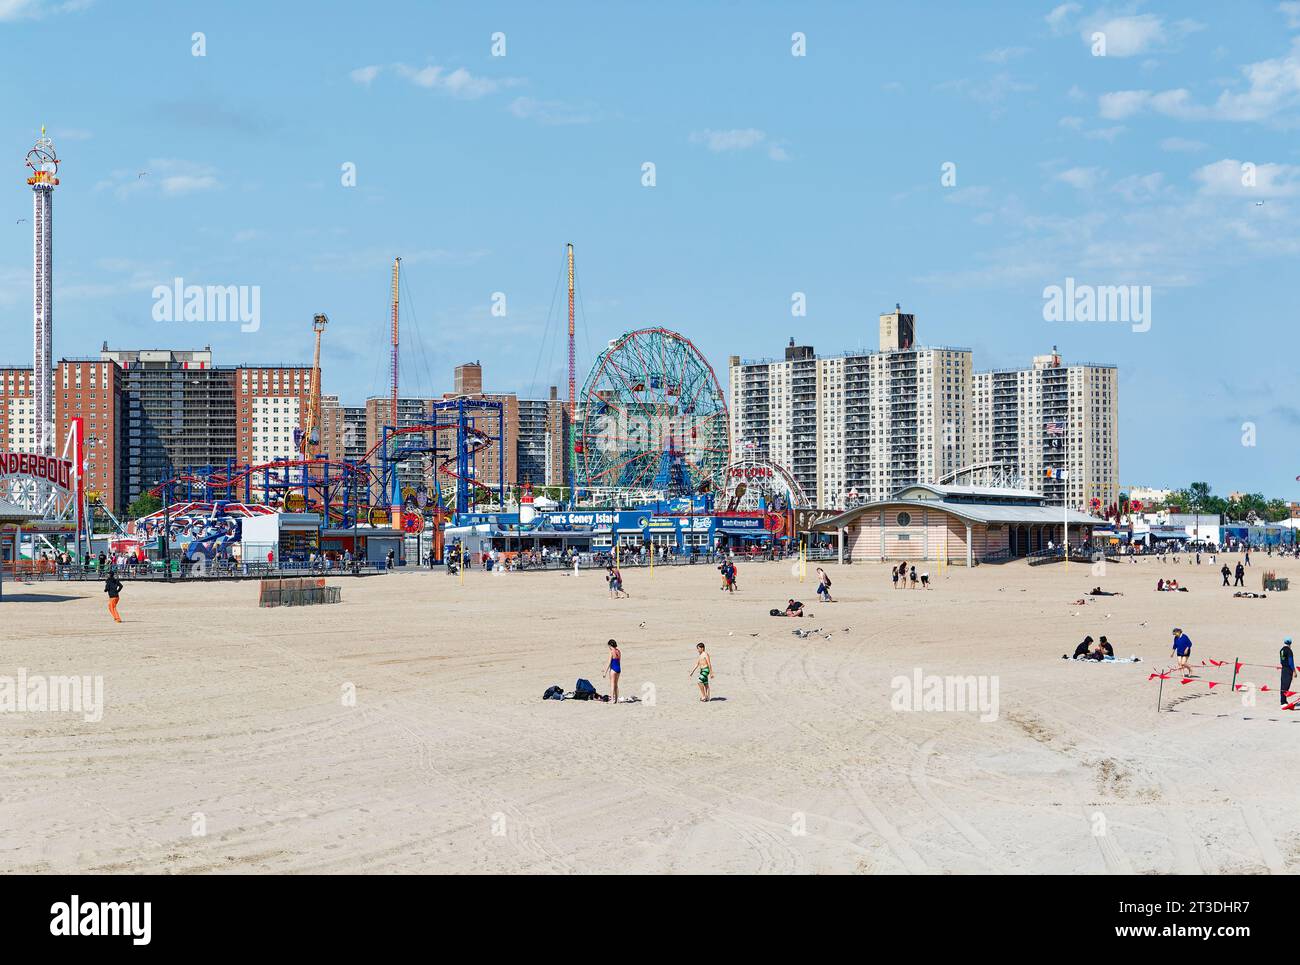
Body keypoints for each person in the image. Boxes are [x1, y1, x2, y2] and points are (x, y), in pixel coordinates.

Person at [604, 639, 622, 704]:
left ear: (610, 645)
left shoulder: (611, 652)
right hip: (618, 669)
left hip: (613, 669)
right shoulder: (618, 651)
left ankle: (612, 700)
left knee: (612, 684)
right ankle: (616, 700)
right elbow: (619, 661)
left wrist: (605, 672)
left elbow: (609, 663)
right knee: (616, 685)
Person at [1281, 637, 1295, 707]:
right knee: (1286, 686)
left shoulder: (1282, 650)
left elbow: (1281, 661)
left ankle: (1283, 701)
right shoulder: (1289, 650)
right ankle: (1284, 702)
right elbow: (1291, 662)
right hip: (1288, 669)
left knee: (1283, 685)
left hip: (1283, 669)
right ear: (1290, 643)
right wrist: (1294, 671)